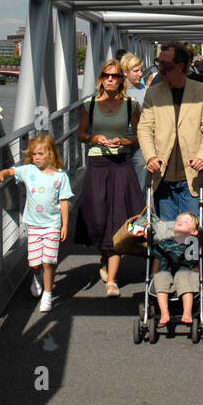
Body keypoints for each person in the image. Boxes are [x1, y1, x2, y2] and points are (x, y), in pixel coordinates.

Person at [76, 59, 144, 298]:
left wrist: (124, 141)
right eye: (107, 75)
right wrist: (95, 139)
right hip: (97, 163)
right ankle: (104, 257)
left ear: (121, 79)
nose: (111, 79)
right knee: (97, 216)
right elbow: (82, 134)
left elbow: (138, 136)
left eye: (115, 76)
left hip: (121, 164)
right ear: (101, 78)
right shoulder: (90, 104)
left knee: (118, 219)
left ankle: (112, 280)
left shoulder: (131, 105)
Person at [137, 41, 203, 222]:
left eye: (165, 65)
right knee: (165, 234)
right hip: (162, 173)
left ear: (180, 66)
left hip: (191, 174)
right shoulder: (153, 93)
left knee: (190, 231)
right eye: (158, 63)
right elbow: (144, 128)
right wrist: (150, 157)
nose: (159, 68)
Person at [0, 134, 73, 314]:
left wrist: (65, 225)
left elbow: (64, 201)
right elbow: (12, 171)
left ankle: (48, 294)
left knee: (48, 261)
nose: (36, 157)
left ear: (50, 154)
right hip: (33, 225)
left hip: (52, 224)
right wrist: (2, 173)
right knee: (35, 264)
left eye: (40, 154)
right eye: (34, 154)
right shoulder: (29, 171)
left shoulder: (60, 176)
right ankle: (36, 277)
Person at [151, 212, 200, 326]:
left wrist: (197, 269)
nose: (180, 222)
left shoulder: (192, 244)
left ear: (193, 232)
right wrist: (153, 272)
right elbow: (157, 259)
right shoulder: (165, 242)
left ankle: (187, 312)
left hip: (184, 270)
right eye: (178, 221)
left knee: (184, 278)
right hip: (165, 269)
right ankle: (164, 312)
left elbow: (196, 260)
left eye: (186, 221)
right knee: (161, 278)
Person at [119, 52, 151, 193]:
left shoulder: (147, 92)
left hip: (140, 139)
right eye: (136, 70)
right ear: (125, 72)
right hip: (120, 138)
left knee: (141, 168)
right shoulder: (115, 91)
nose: (140, 74)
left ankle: (139, 208)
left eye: (141, 70)